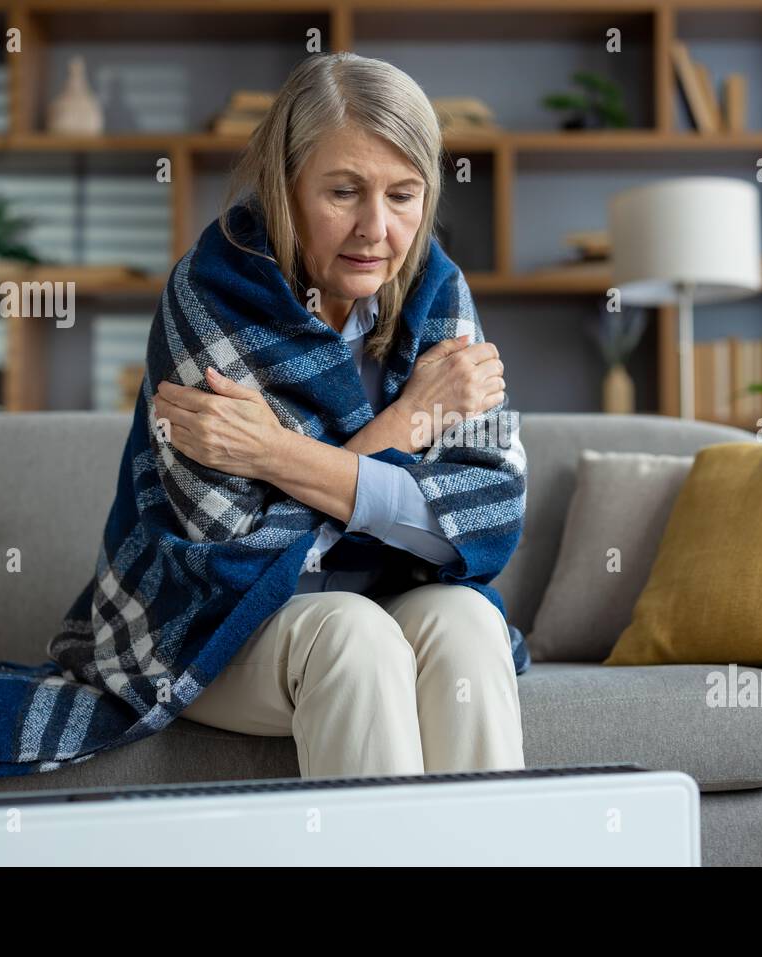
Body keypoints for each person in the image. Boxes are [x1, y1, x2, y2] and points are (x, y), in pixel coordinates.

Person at [153, 52, 525, 778]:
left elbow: (489, 514)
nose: (376, 230)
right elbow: (234, 542)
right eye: (343, 191)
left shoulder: (438, 293)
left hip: (392, 595)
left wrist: (273, 455)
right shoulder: (210, 296)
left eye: (404, 195)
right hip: (222, 622)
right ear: (283, 188)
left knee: (470, 621)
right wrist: (413, 420)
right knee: (354, 636)